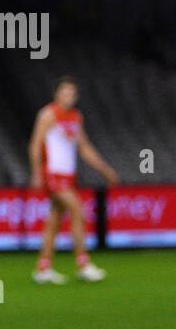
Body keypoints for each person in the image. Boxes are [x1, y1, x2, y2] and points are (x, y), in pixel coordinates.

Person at [28, 76, 118, 284]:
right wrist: (36, 173)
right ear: (56, 94)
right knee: (78, 210)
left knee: (54, 222)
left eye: (72, 93)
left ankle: (43, 268)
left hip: (68, 176)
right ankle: (83, 264)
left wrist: (104, 169)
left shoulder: (76, 117)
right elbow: (34, 144)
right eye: (65, 92)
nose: (69, 96)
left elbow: (84, 147)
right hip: (52, 174)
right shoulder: (48, 115)